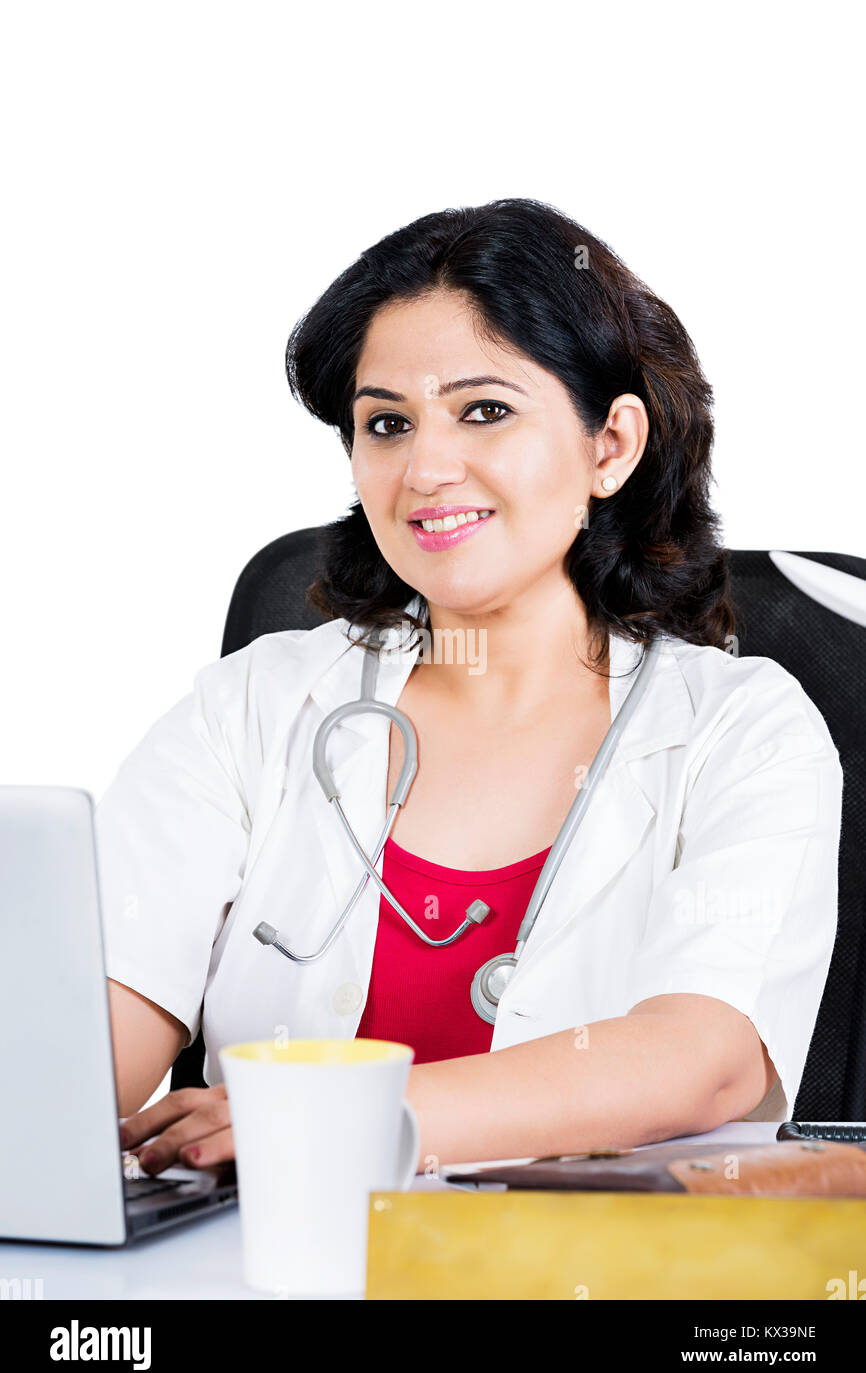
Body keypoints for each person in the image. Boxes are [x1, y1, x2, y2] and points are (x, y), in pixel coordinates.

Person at [101, 197, 843, 1176]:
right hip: (279, 1267)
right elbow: (83, 1050)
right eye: (385, 423)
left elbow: (699, 1058)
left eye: (483, 410)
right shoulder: (248, 709)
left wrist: (335, 1116)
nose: (424, 468)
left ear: (608, 446)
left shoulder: (741, 730)